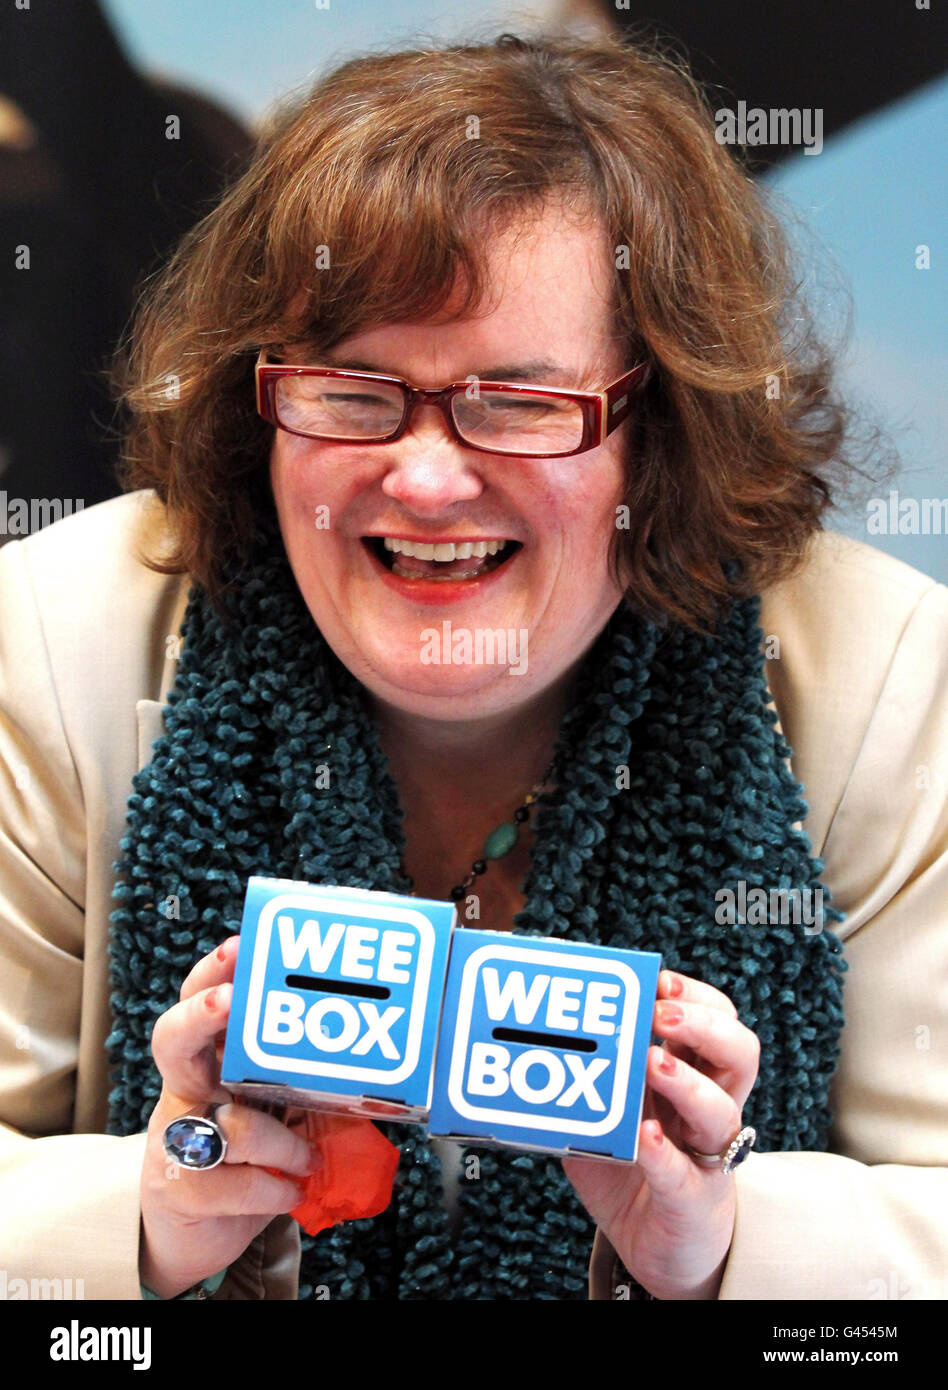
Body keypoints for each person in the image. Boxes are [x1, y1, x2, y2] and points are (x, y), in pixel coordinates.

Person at [0, 31, 945, 1302]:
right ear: (257, 403)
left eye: (517, 402)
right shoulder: (49, 638)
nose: (431, 478)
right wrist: (154, 1215)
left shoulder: (886, 677)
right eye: (354, 392)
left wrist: (724, 1249)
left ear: (657, 434)